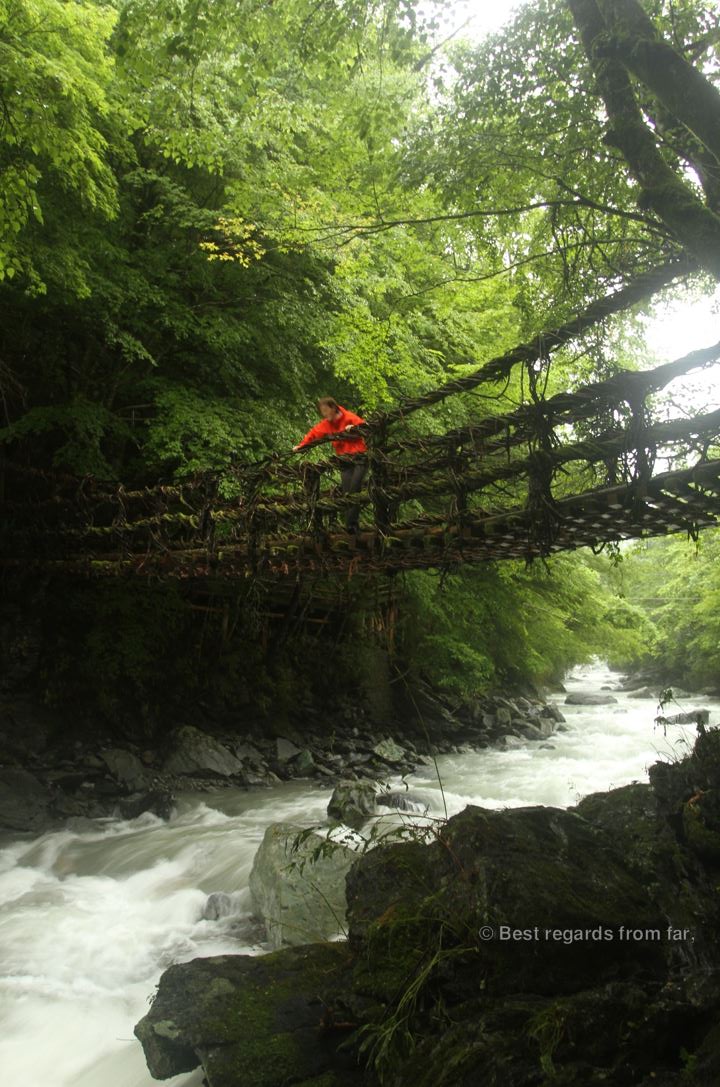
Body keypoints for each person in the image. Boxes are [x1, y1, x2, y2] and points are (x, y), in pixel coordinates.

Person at [293, 397, 368, 532]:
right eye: (322, 412)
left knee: (354, 488)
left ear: (333, 408)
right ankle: (351, 526)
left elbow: (364, 426)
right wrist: (301, 446)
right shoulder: (327, 424)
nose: (324, 414)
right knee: (347, 492)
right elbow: (314, 433)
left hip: (360, 458)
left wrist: (355, 428)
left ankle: (351, 525)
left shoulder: (349, 417)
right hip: (345, 461)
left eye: (326, 410)